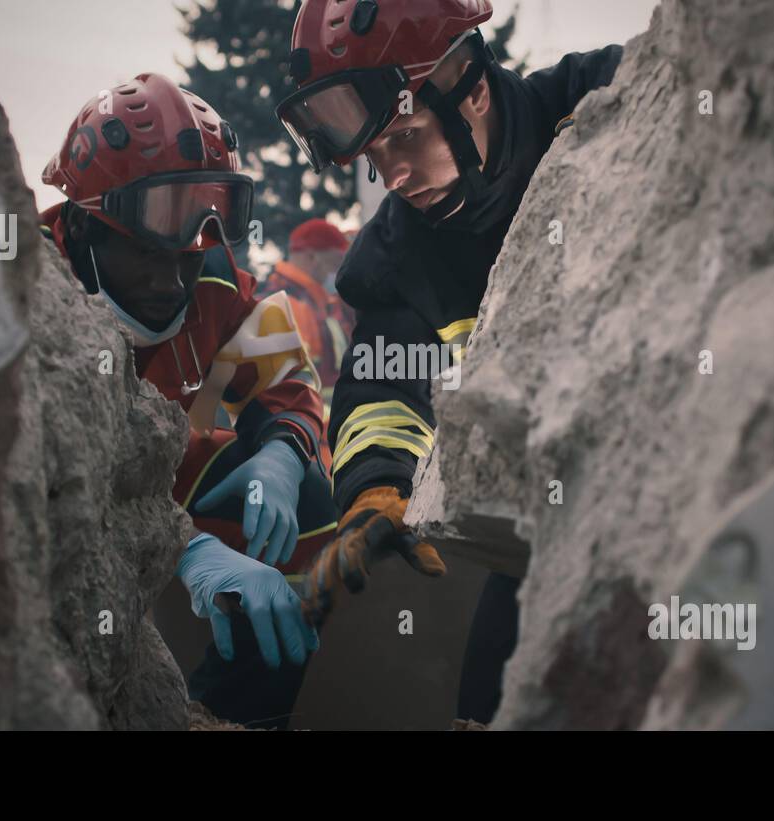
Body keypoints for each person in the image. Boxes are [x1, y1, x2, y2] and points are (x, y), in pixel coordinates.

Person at [276, 0, 624, 723]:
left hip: (687, 464)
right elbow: (382, 385)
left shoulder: (607, 103)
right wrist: (376, 488)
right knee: (493, 699)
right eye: (376, 156)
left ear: (472, 89)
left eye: (405, 137)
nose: (395, 176)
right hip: (551, 516)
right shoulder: (400, 257)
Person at [40, 72, 337, 728]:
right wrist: (191, 551)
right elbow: (49, 492)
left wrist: (284, 457)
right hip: (66, 522)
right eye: (154, 241)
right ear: (87, 227)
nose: (176, 273)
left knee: (309, 500)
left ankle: (226, 711)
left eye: (200, 230)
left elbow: (288, 385)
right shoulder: (30, 295)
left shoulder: (208, 281)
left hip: (164, 493)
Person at [258, 219, 356, 407]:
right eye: (337, 263)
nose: (340, 271)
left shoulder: (315, 303)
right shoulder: (290, 308)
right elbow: (290, 393)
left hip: (318, 427)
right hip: (313, 429)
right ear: (312, 258)